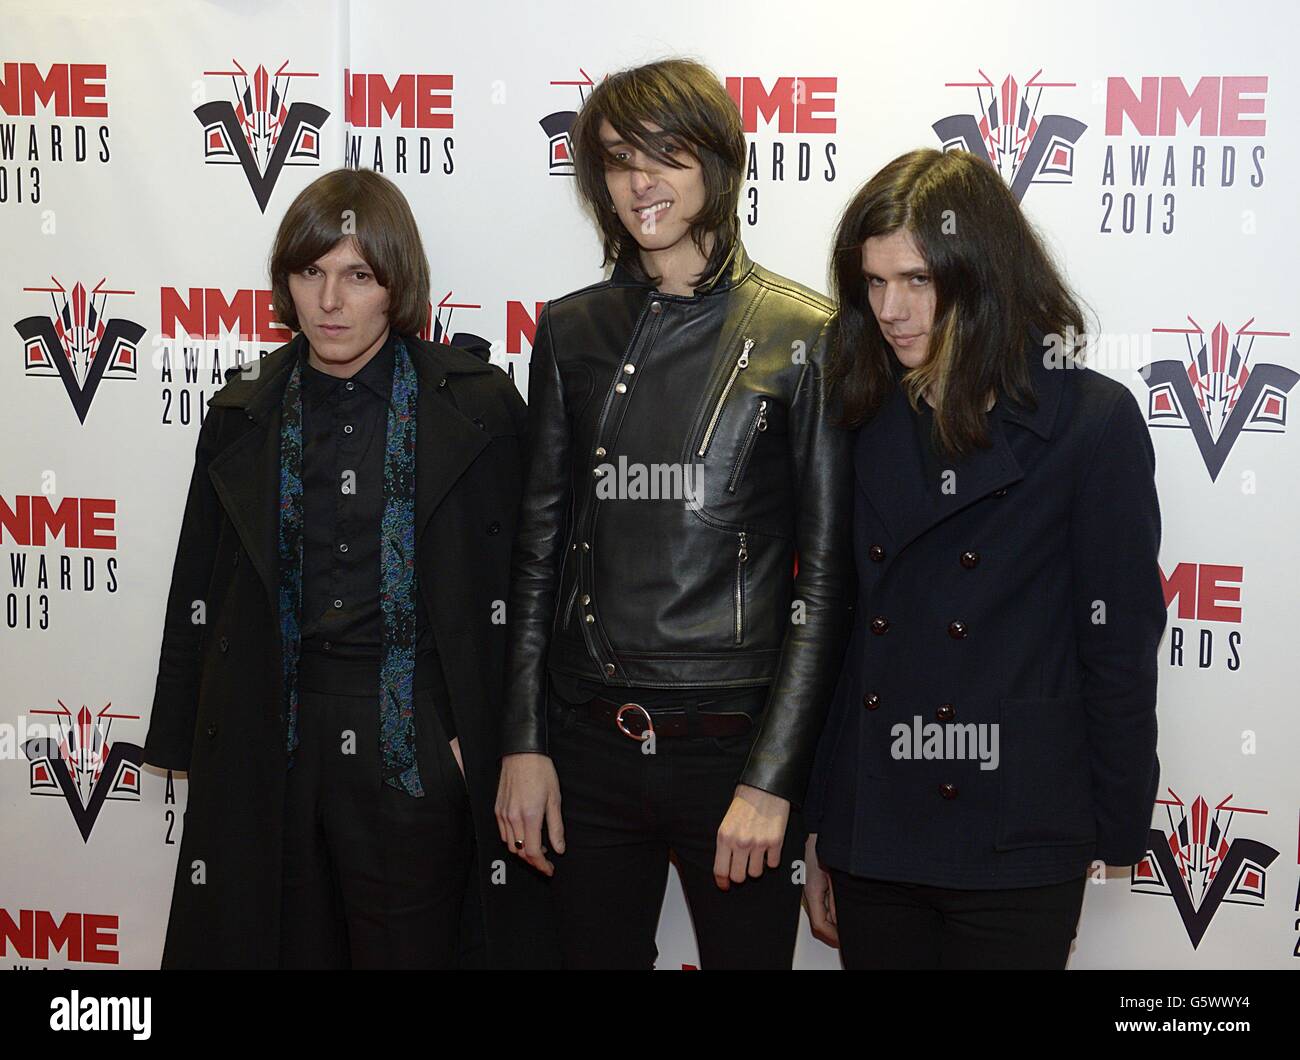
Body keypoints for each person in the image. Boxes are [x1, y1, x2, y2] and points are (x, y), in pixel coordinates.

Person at [144, 167, 555, 968]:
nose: (330, 302)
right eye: (311, 273)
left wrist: (493, 738)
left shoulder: (477, 405)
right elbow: (199, 585)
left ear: (396, 285)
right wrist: (180, 735)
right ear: (286, 284)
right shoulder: (242, 408)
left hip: (415, 735)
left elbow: (527, 587)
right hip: (275, 734)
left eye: (358, 276)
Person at [495, 58, 853, 969]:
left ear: (719, 167)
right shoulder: (571, 329)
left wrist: (773, 778)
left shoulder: (803, 333)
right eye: (618, 160)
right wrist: (526, 744)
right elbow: (538, 551)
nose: (640, 179)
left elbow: (829, 580)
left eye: (667, 154)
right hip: (589, 742)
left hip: (729, 748)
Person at [802, 148, 1166, 969]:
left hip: (1017, 827)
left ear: (981, 272)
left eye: (918, 281)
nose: (891, 309)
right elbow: (845, 637)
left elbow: (1117, 643)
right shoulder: (858, 411)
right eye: (874, 282)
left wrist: (1112, 823)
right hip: (880, 827)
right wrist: (825, 819)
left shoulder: (1090, 423)